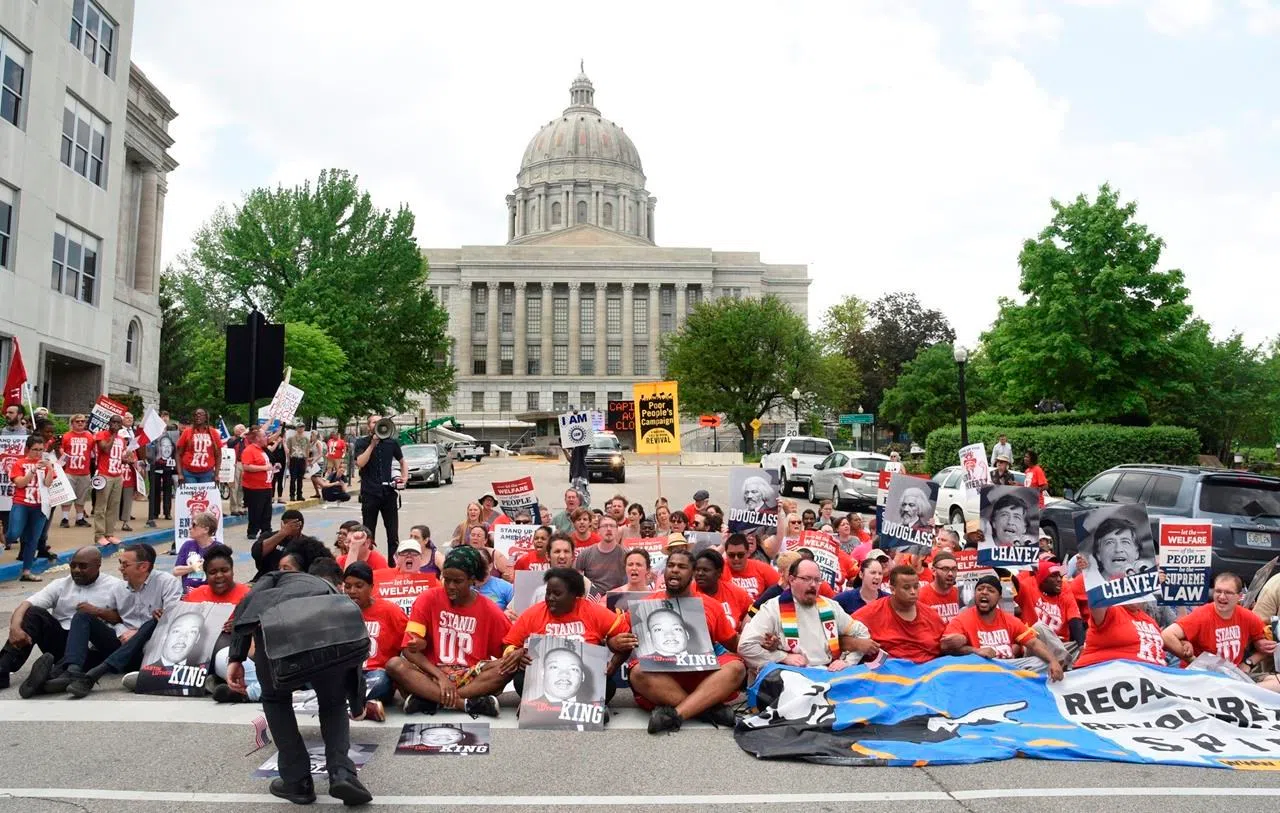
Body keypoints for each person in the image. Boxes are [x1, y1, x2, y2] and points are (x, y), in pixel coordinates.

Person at [226, 568, 373, 806]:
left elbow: (247, 606)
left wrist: (236, 657)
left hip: (280, 639)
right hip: (329, 640)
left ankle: (298, 782)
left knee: (275, 699)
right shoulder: (331, 593)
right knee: (334, 704)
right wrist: (357, 703)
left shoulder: (274, 578)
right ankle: (342, 774)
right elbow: (353, 657)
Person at [612, 549, 746, 734]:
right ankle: (705, 708)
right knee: (637, 672)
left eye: (682, 567)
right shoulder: (646, 605)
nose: (675, 570)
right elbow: (617, 636)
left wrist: (764, 651)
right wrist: (615, 642)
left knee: (736, 668)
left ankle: (677, 713)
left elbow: (734, 643)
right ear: (664, 571)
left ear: (692, 573)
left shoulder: (710, 605)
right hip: (662, 680)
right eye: (671, 566)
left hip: (703, 678)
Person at [386, 547, 512, 718]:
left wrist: (514, 654)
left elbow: (508, 646)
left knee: (511, 665)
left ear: (472, 580)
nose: (450, 586)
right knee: (394, 664)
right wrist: (440, 676)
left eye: (458, 581)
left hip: (471, 675)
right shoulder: (427, 598)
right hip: (432, 673)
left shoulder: (489, 608)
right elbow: (408, 649)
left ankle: (431, 698)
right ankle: (465, 703)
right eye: (447, 579)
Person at [54, 543, 184, 698]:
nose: (120, 568)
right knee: (83, 615)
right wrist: (122, 631)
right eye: (120, 563)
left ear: (143, 567)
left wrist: (138, 632)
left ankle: (95, 674)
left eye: (125, 564)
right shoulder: (118, 588)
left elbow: (172, 620)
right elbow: (112, 620)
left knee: (156, 619)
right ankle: (72, 671)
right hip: (122, 644)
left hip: (149, 651)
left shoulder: (167, 583)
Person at [0, 547, 122, 692]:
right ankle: (3, 668)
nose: (76, 570)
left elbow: (126, 618)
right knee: (33, 613)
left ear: (98, 566)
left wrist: (98, 612)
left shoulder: (115, 586)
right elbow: (26, 604)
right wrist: (15, 628)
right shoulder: (61, 584)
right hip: (62, 642)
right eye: (73, 565)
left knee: (83, 619)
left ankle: (50, 678)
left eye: (83, 566)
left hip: (92, 648)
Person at [500, 567, 627, 701]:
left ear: (574, 595)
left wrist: (614, 663)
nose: (550, 598)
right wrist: (517, 655)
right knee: (520, 681)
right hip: (545, 679)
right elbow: (509, 643)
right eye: (548, 593)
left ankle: (588, 711)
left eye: (557, 593)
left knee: (608, 687)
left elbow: (626, 635)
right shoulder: (533, 614)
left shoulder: (594, 612)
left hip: (582, 679)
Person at [740, 559, 877, 677]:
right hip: (792, 675)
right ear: (792, 580)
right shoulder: (772, 608)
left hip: (829, 674)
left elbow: (861, 632)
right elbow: (746, 646)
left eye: (817, 580)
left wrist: (847, 662)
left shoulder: (830, 606)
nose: (813, 585)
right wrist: (783, 657)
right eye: (806, 579)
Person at [942, 575, 1064, 679]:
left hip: (1010, 666)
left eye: (990, 590)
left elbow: (1033, 643)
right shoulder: (962, 619)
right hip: (980, 669)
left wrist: (1053, 661)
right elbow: (945, 647)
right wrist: (976, 651)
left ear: (999, 598)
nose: (984, 592)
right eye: (980, 589)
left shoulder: (1009, 620)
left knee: (1042, 663)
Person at [1162, 572, 1273, 669]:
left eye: (1228, 593)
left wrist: (1249, 663)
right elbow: (1166, 635)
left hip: (1233, 677)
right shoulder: (1202, 615)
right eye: (1218, 591)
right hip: (1200, 678)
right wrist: (1192, 660)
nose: (1222, 597)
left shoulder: (1247, 616)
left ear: (1239, 596)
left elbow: (1273, 643)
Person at [342, 561, 406, 722]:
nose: (352, 591)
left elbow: (407, 644)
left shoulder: (390, 610)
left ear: (371, 587)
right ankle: (364, 707)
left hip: (374, 674)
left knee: (383, 681)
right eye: (348, 586)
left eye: (359, 585)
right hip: (346, 673)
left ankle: (346, 704)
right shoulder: (339, 612)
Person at [852, 565, 946, 664]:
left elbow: (946, 644)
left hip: (928, 672)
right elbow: (840, 635)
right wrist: (857, 643)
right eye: (906, 588)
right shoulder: (870, 613)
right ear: (892, 589)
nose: (913, 592)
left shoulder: (931, 615)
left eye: (916, 586)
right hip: (888, 674)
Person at [353, 415, 407, 557]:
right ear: (368, 425)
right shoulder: (361, 443)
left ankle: (393, 564)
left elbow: (402, 461)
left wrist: (404, 478)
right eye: (374, 422)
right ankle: (369, 563)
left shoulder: (391, 443)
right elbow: (360, 463)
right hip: (370, 493)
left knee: (392, 533)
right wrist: (372, 445)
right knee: (368, 533)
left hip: (388, 493)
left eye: (379, 422)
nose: (377, 424)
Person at [1013, 558, 1085, 658]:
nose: (1059, 580)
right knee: (1039, 627)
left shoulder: (1064, 588)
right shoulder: (1028, 586)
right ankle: (1064, 661)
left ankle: (1064, 660)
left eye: (1060, 576)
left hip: (1062, 645)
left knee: (1087, 642)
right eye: (1053, 576)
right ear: (1042, 579)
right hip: (1035, 646)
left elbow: (1075, 618)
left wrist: (1082, 646)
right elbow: (1012, 582)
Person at [7, 434, 53, 582]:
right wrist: (32, 470)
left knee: (32, 539)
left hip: (40, 505)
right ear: (28, 449)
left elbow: (48, 484)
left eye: (41, 449)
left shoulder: (45, 463)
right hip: (22, 503)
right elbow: (20, 483)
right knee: (14, 533)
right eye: (35, 450)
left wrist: (50, 468)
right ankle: (2, 539)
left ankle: (27, 571)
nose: (38, 453)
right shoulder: (19, 463)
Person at [251, 510, 332, 580]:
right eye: (286, 525)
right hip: (265, 578)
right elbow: (257, 553)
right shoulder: (269, 536)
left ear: (300, 526)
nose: (289, 528)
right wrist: (282, 534)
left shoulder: (307, 544)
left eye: (292, 525)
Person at [92, 415, 133, 546]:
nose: (115, 424)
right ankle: (99, 535)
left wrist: (126, 460)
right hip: (105, 475)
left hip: (117, 475)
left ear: (121, 425)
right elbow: (105, 449)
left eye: (118, 423)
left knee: (113, 506)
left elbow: (117, 456)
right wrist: (113, 435)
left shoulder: (122, 440)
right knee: (101, 506)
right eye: (113, 422)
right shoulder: (101, 435)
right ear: (109, 423)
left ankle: (109, 533)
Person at [693, 549, 754, 632]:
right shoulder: (687, 594)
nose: (700, 573)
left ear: (718, 572)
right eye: (697, 570)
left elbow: (754, 614)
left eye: (705, 570)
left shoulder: (737, 593)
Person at [58, 414, 95, 528]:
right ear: (72, 423)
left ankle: (80, 518)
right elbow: (60, 449)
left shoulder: (90, 437)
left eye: (83, 421)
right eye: (77, 421)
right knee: (67, 497)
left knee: (81, 497)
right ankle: (65, 518)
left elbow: (94, 452)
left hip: (84, 472)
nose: (80, 423)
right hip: (69, 471)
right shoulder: (66, 436)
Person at [574, 515, 627, 593]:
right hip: (593, 599)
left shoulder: (626, 554)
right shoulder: (585, 554)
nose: (609, 529)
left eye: (612, 526)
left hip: (618, 598)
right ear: (598, 530)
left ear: (617, 530)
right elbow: (576, 579)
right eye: (605, 526)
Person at [239, 428, 275, 541]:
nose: (266, 438)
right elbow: (247, 466)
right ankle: (253, 531)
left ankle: (266, 530)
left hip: (266, 485)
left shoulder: (263, 450)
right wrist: (264, 468)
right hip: (254, 487)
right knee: (255, 510)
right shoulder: (249, 450)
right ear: (258, 438)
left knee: (266, 510)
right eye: (264, 436)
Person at [721, 534, 780, 601]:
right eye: (731, 555)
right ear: (726, 554)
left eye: (740, 555)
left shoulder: (761, 567)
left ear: (748, 553)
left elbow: (782, 587)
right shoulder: (720, 568)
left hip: (756, 609)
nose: (736, 558)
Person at [173, 511, 220, 593]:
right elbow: (176, 571)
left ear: (206, 529)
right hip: (188, 592)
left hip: (209, 592)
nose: (190, 527)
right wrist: (193, 567)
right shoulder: (187, 545)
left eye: (194, 525)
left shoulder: (218, 548)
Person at [145, 420, 179, 528]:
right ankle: (154, 512)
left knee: (168, 490)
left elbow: (174, 451)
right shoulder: (152, 439)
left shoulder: (170, 438)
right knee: (155, 490)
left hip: (168, 468)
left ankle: (167, 512)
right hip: (155, 468)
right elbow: (148, 452)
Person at [176, 409, 222, 485]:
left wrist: (216, 475)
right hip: (188, 473)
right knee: (192, 496)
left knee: (204, 496)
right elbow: (178, 454)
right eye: (196, 414)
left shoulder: (213, 432)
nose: (198, 416)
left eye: (201, 414)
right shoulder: (187, 432)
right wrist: (180, 474)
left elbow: (219, 455)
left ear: (206, 417)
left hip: (207, 473)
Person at [918, 551, 961, 623]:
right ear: (934, 571)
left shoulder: (957, 593)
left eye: (954, 569)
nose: (950, 573)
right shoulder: (921, 595)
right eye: (945, 569)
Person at [286, 425, 311, 503]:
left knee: (300, 478)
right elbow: (288, 450)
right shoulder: (291, 438)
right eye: (299, 427)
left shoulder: (306, 439)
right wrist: (288, 460)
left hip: (302, 459)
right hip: (294, 458)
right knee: (293, 478)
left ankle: (299, 494)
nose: (301, 429)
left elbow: (307, 451)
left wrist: (306, 462)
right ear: (297, 429)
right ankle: (292, 495)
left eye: (303, 427)